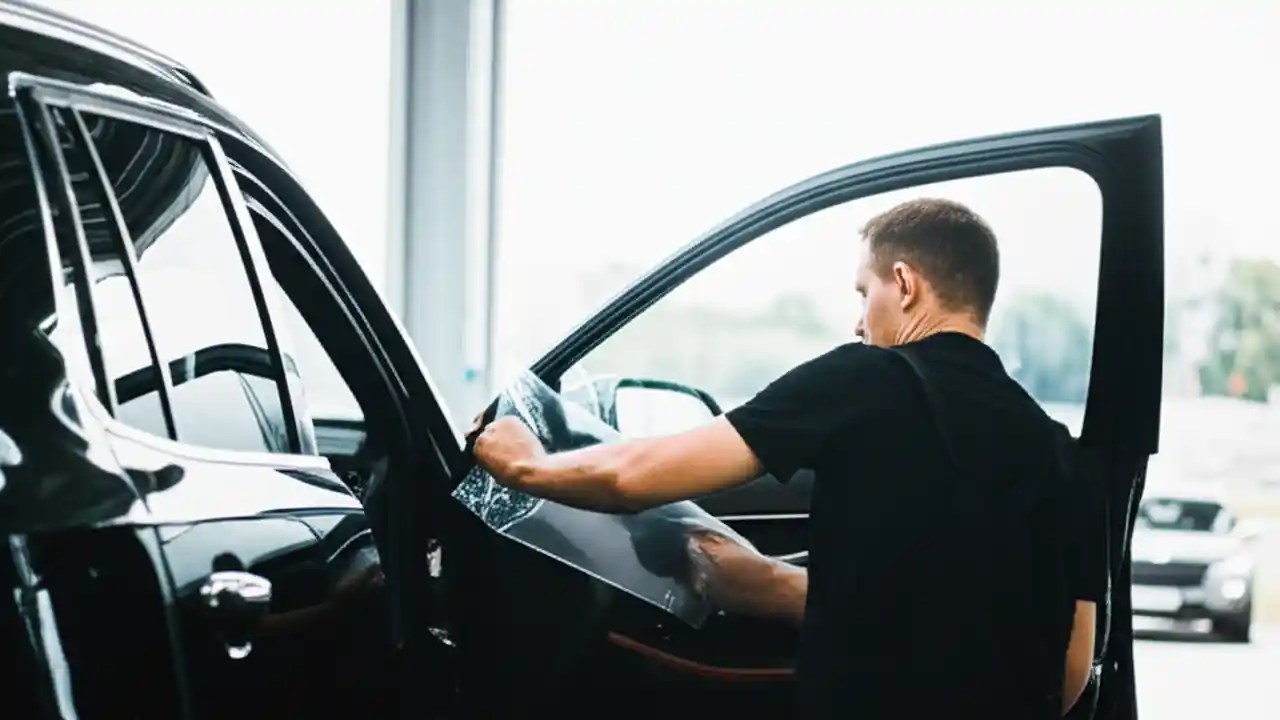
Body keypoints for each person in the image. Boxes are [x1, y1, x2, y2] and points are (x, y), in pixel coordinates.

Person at [472, 198, 1101, 718]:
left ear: (905, 285)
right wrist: (773, 585)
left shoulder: (867, 379)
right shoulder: (1062, 455)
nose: (859, 322)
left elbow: (639, 477)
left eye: (864, 294)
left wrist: (526, 464)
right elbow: (1071, 672)